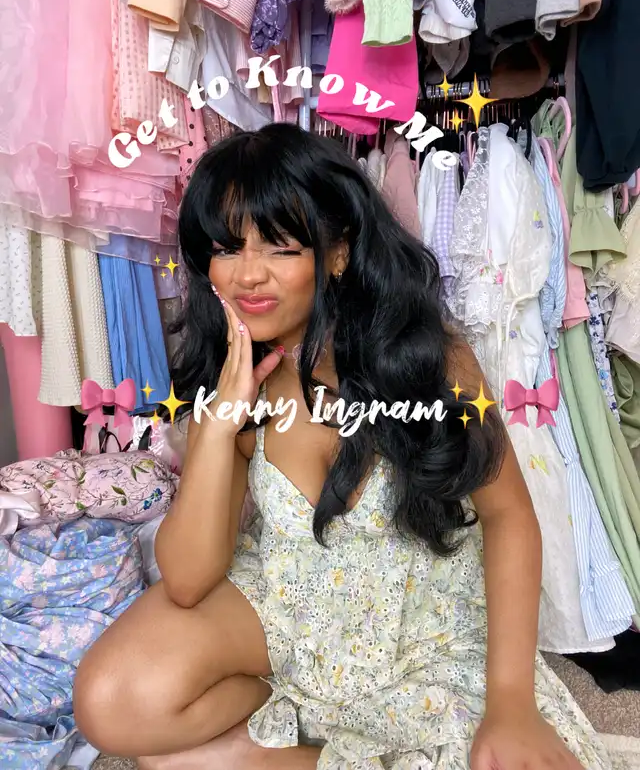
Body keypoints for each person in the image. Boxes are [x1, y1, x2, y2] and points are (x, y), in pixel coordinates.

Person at [73, 124, 622, 770]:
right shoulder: (233, 381)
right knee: (110, 699)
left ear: (337, 253)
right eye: (227, 247)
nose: (248, 274)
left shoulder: (433, 362)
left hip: (421, 623)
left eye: (279, 247)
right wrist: (219, 426)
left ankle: (263, 752)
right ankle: (291, 721)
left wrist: (510, 704)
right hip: (290, 606)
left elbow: (509, 517)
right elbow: (189, 580)